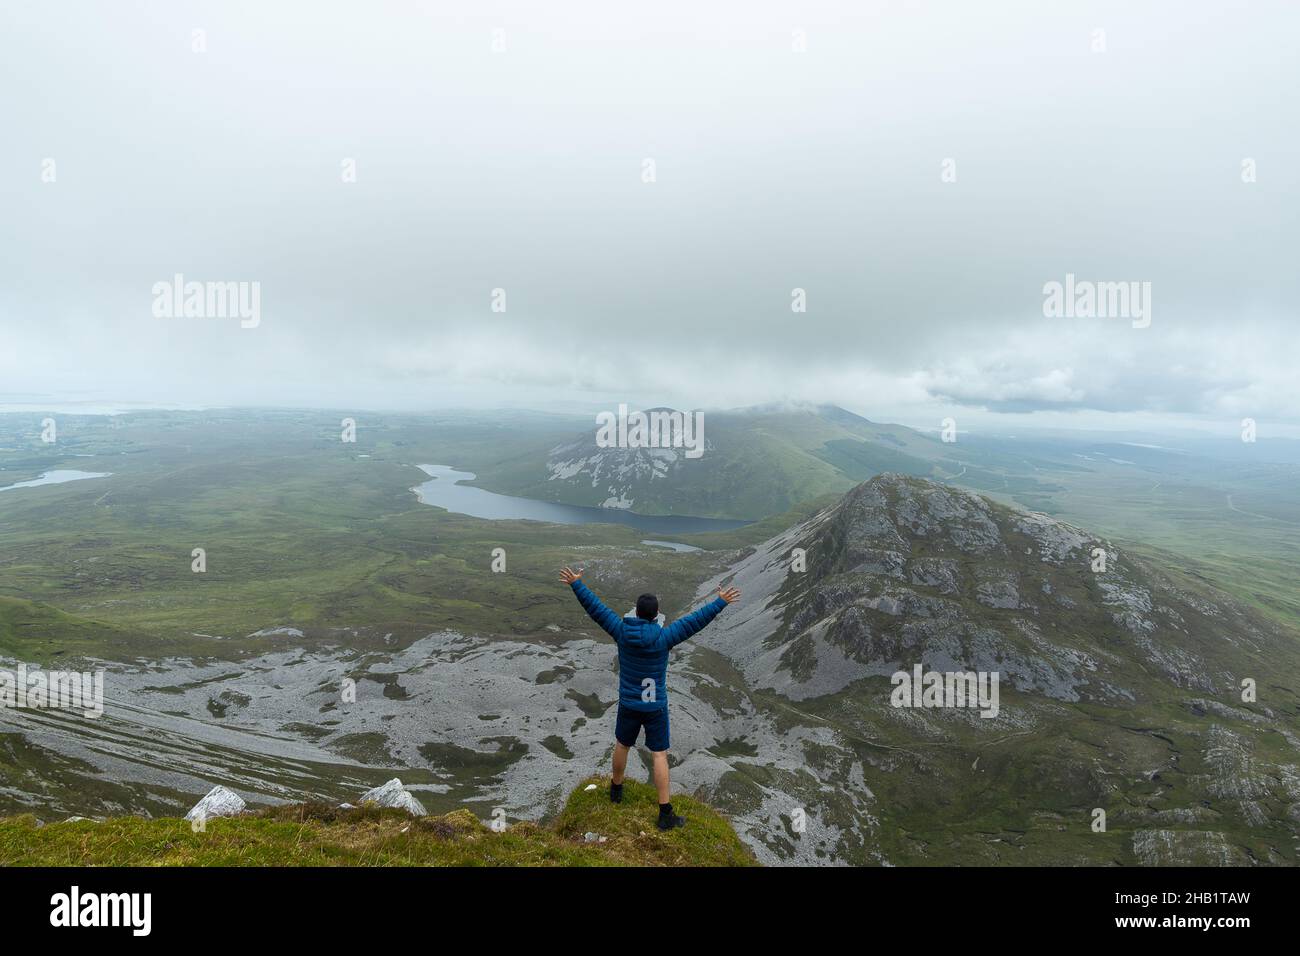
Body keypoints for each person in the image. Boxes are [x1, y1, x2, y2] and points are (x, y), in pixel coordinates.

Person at [559, 565, 740, 830]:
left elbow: (596, 609)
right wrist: (720, 602)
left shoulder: (622, 631)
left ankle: (616, 790)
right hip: (655, 705)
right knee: (659, 755)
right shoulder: (665, 637)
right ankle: (665, 813)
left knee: (622, 745)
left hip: (629, 704)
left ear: (636, 612)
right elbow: (695, 621)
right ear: (656, 615)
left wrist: (577, 584)